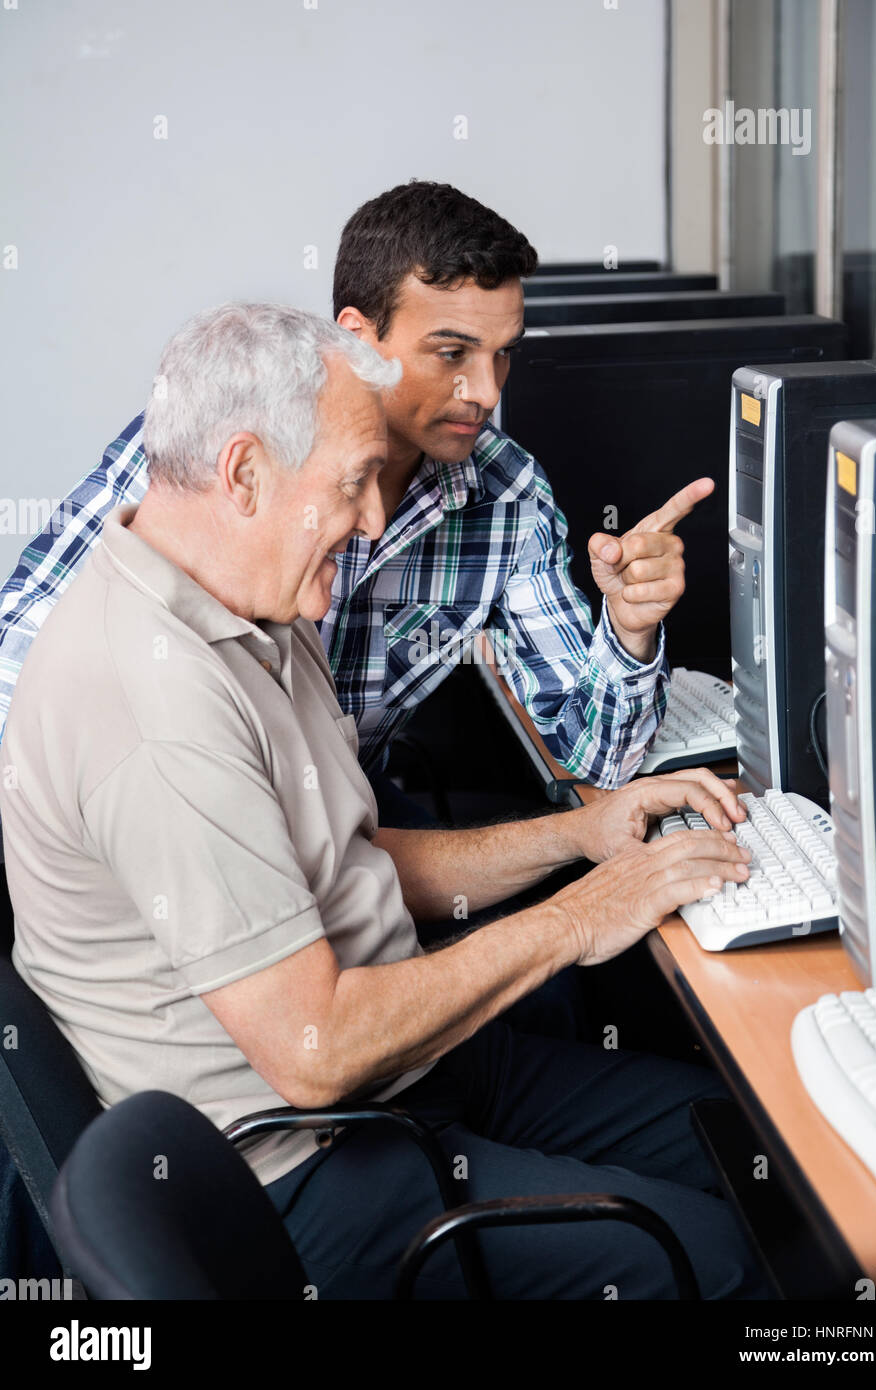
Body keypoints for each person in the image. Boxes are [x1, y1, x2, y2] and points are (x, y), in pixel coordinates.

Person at [0, 303, 770, 1300]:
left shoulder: (249, 597)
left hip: (402, 1066)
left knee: (743, 1140)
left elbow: (352, 863)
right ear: (243, 475)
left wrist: (580, 835)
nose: (373, 520)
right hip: (308, 1163)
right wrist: (579, 917)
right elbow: (314, 1051)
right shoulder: (151, 702)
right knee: (725, 1256)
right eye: (355, 482)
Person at [0, 182, 711, 796]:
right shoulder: (213, 438)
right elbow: (16, 674)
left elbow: (596, 760)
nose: (486, 391)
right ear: (359, 336)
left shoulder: (508, 496)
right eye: (452, 353)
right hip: (188, 813)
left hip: (348, 828)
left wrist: (629, 628)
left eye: (503, 356)